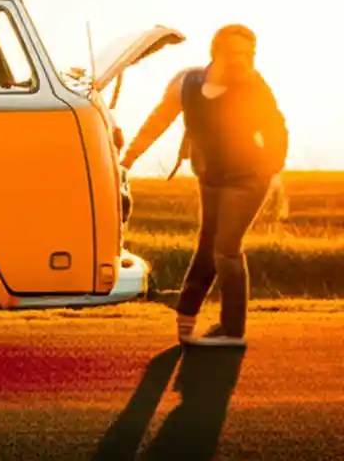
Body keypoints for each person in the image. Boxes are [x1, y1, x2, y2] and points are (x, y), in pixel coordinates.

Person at [120, 24, 287, 348]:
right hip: (210, 178)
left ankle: (232, 331)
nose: (243, 60)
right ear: (216, 52)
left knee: (225, 249)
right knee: (208, 247)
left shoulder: (253, 86)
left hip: (248, 177)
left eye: (248, 53)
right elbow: (159, 120)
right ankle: (186, 320)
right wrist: (128, 160)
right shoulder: (187, 83)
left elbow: (276, 127)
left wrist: (273, 169)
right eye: (235, 52)